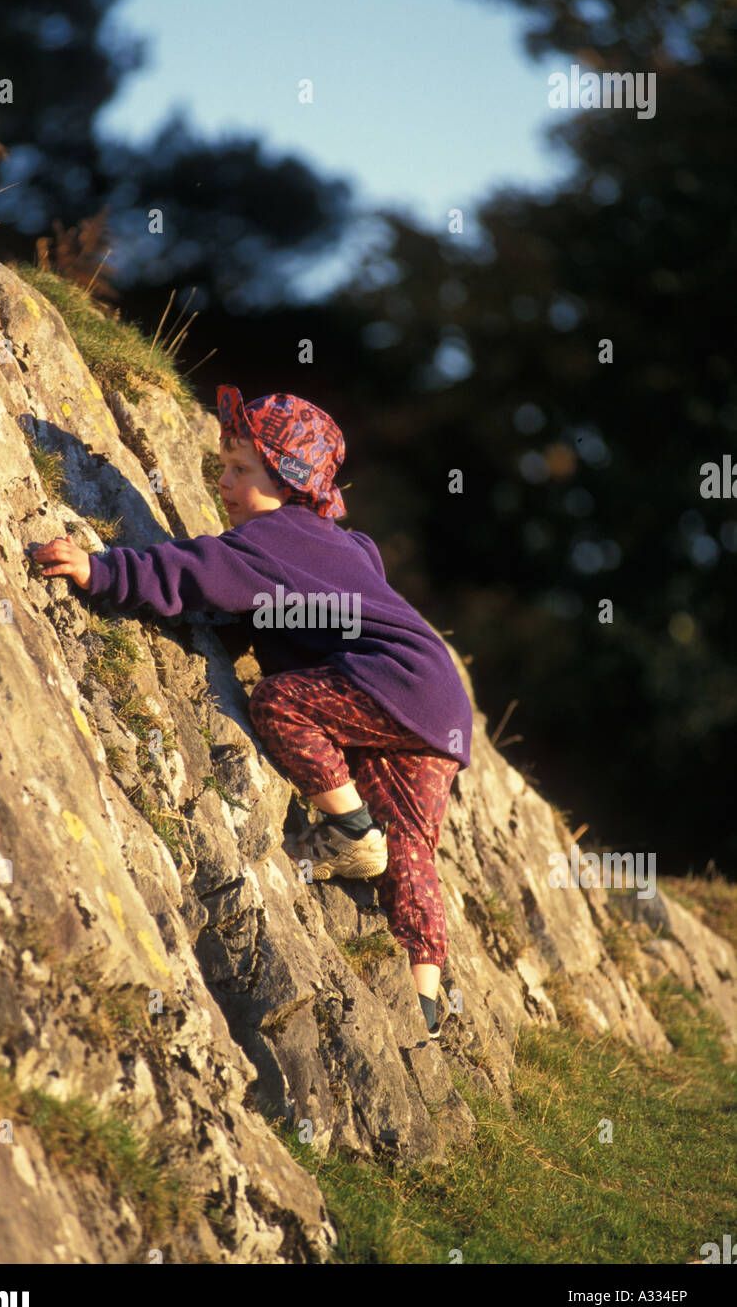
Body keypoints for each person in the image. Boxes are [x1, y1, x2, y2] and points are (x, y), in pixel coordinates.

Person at [32, 385, 473, 1038]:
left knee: (282, 704)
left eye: (242, 470)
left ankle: (349, 830)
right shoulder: (335, 542)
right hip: (435, 706)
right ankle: (427, 1001)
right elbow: (275, 602)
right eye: (224, 466)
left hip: (394, 682)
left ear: (290, 484)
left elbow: (192, 568)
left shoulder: (271, 538)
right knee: (409, 850)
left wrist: (101, 573)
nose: (224, 481)